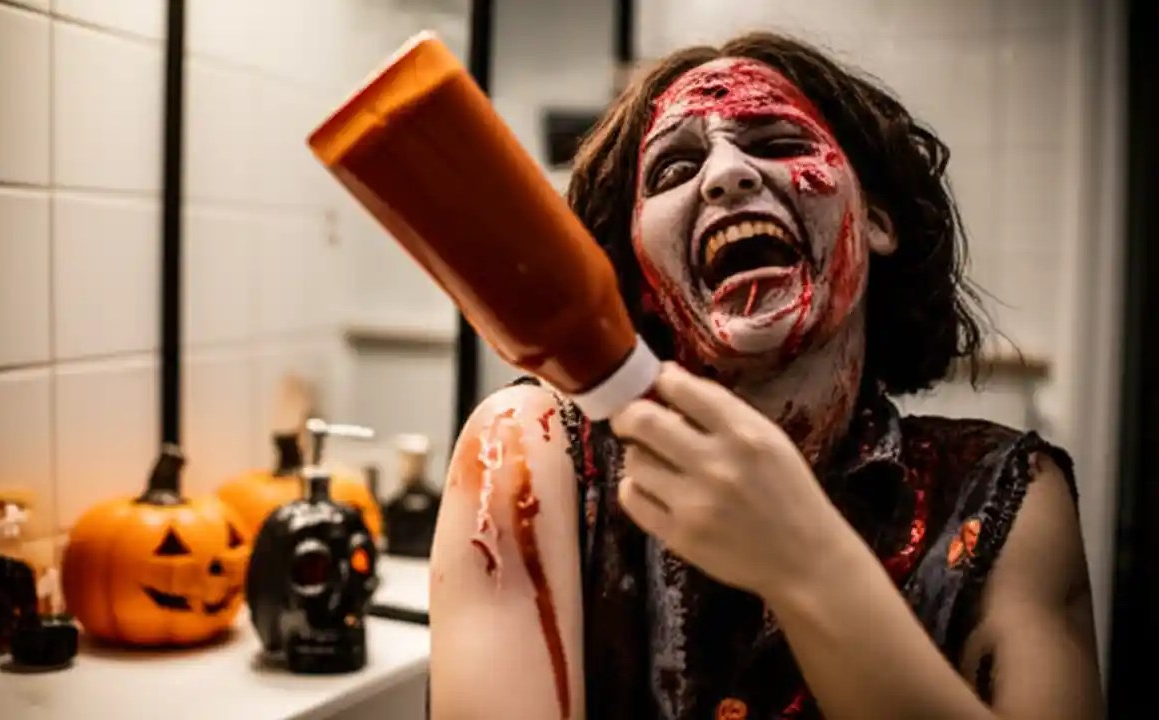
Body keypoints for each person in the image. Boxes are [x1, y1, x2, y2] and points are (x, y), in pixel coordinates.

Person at [428, 31, 1102, 720]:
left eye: (779, 144)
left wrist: (807, 563)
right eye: (672, 170)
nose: (725, 175)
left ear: (874, 219)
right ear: (643, 284)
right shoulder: (532, 458)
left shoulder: (1009, 503)